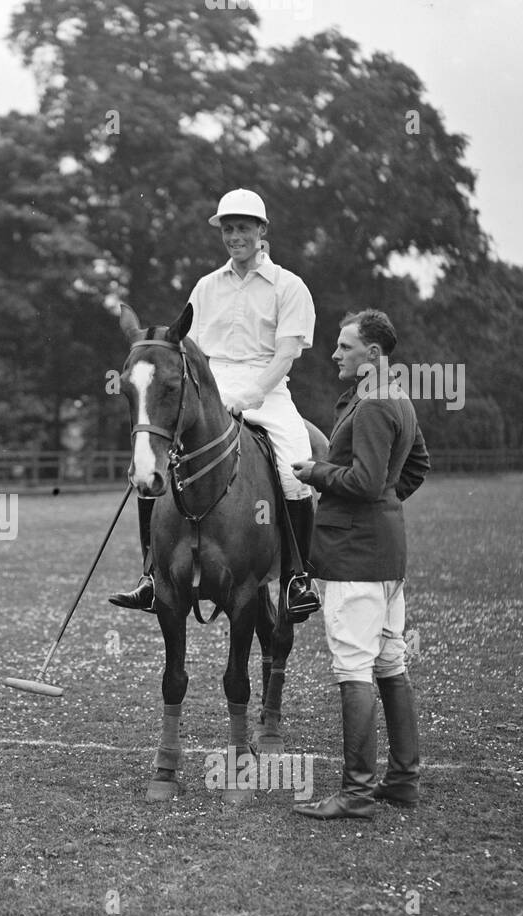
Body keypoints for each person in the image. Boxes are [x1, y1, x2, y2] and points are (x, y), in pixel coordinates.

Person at [110, 188, 318, 616]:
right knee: (153, 466)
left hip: (268, 391)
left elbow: (285, 355)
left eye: (243, 228)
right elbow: (191, 349)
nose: (234, 236)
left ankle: (298, 576)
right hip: (210, 388)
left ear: (262, 230)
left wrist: (252, 393)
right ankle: (152, 575)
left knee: (295, 467)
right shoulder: (205, 287)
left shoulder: (289, 286)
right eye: (228, 229)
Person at [289, 309, 431, 820]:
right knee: (390, 662)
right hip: (385, 552)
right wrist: (384, 508)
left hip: (356, 557)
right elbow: (416, 467)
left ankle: (356, 793)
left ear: (372, 353)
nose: (334, 354)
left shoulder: (372, 403)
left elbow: (366, 482)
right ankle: (403, 780)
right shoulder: (396, 395)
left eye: (345, 346)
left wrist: (316, 472)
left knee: (354, 666)